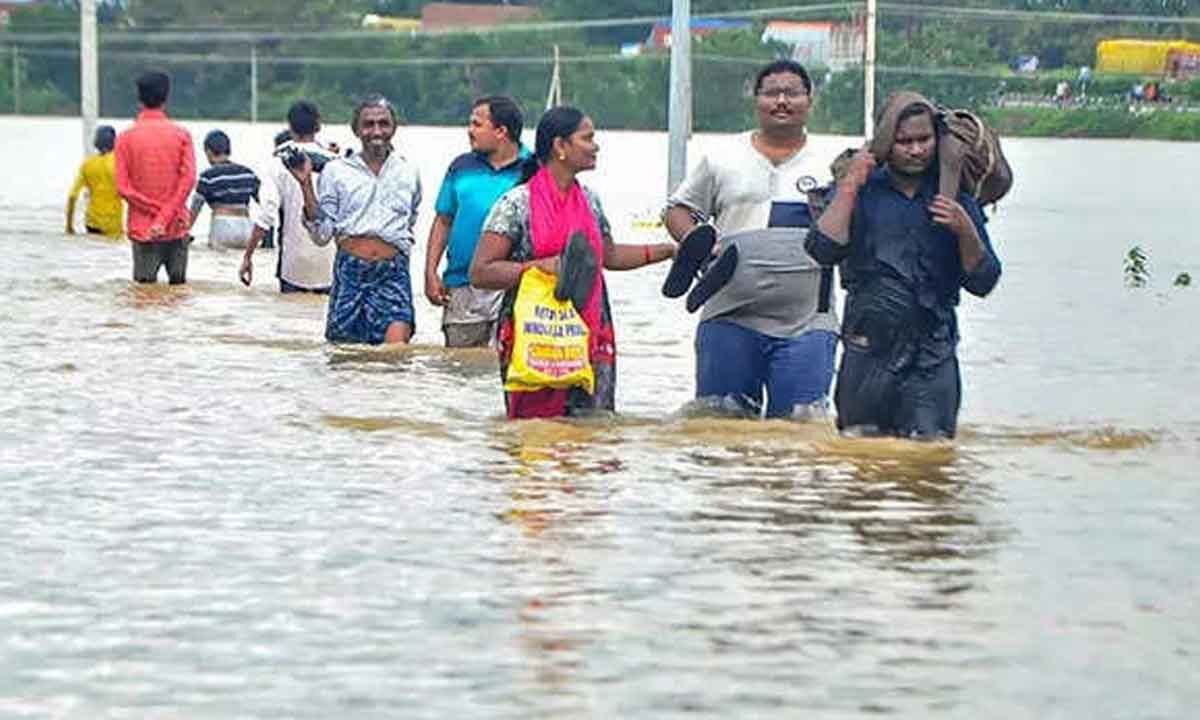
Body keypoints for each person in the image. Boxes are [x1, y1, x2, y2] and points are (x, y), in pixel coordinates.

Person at [805, 91, 1002, 439]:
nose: (915, 150)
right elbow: (822, 249)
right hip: (867, 351)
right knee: (859, 453)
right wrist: (851, 183)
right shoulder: (862, 190)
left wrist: (965, 230)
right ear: (885, 143)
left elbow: (984, 281)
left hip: (933, 354)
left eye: (923, 140)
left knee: (931, 452)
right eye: (903, 142)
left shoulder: (954, 196)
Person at [470, 106, 676, 419]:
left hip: (590, 328)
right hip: (533, 330)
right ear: (560, 146)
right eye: (587, 138)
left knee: (593, 427)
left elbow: (608, 256)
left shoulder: (590, 200)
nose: (596, 146)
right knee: (533, 435)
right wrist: (537, 268)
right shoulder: (516, 203)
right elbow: (481, 272)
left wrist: (669, 250)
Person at [663, 59, 839, 419]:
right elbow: (677, 210)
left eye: (792, 93)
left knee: (799, 430)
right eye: (771, 93)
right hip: (729, 316)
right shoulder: (722, 157)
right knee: (720, 427)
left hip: (807, 322)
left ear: (810, 100)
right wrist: (697, 242)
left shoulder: (833, 163)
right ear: (756, 100)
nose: (781, 101)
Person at [294, 94, 421, 344]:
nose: (376, 131)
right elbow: (322, 234)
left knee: (395, 353)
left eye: (383, 124)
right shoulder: (336, 171)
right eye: (369, 124)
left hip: (393, 273)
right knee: (345, 356)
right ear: (356, 130)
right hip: (350, 270)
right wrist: (306, 183)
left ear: (394, 128)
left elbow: (410, 219)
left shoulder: (408, 171)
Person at [425, 95, 530, 347]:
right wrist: (430, 272)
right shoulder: (460, 167)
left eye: (477, 124)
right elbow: (443, 221)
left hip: (515, 284)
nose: (469, 131)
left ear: (501, 131)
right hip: (463, 285)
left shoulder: (534, 169)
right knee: (460, 369)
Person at [239, 102, 337, 293]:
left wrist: (248, 256)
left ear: (290, 126)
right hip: (330, 265)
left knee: (289, 318)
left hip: (292, 265)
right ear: (318, 126)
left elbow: (267, 214)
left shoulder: (277, 163)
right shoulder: (336, 163)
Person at [114, 70, 196, 284]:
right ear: (166, 98)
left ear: (139, 99)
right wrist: (166, 215)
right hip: (176, 225)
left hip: (144, 230)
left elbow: (123, 188)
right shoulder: (182, 135)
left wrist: (157, 213)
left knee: (143, 298)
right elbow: (188, 180)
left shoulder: (124, 138)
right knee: (178, 297)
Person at [188, 129, 260, 250]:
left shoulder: (207, 176)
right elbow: (265, 203)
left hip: (222, 227)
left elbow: (195, 208)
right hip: (247, 228)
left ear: (208, 152)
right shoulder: (248, 174)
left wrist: (184, 232)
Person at [66, 125, 124, 238]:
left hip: (91, 222)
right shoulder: (118, 163)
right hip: (113, 224)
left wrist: (69, 226)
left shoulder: (88, 164)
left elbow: (72, 196)